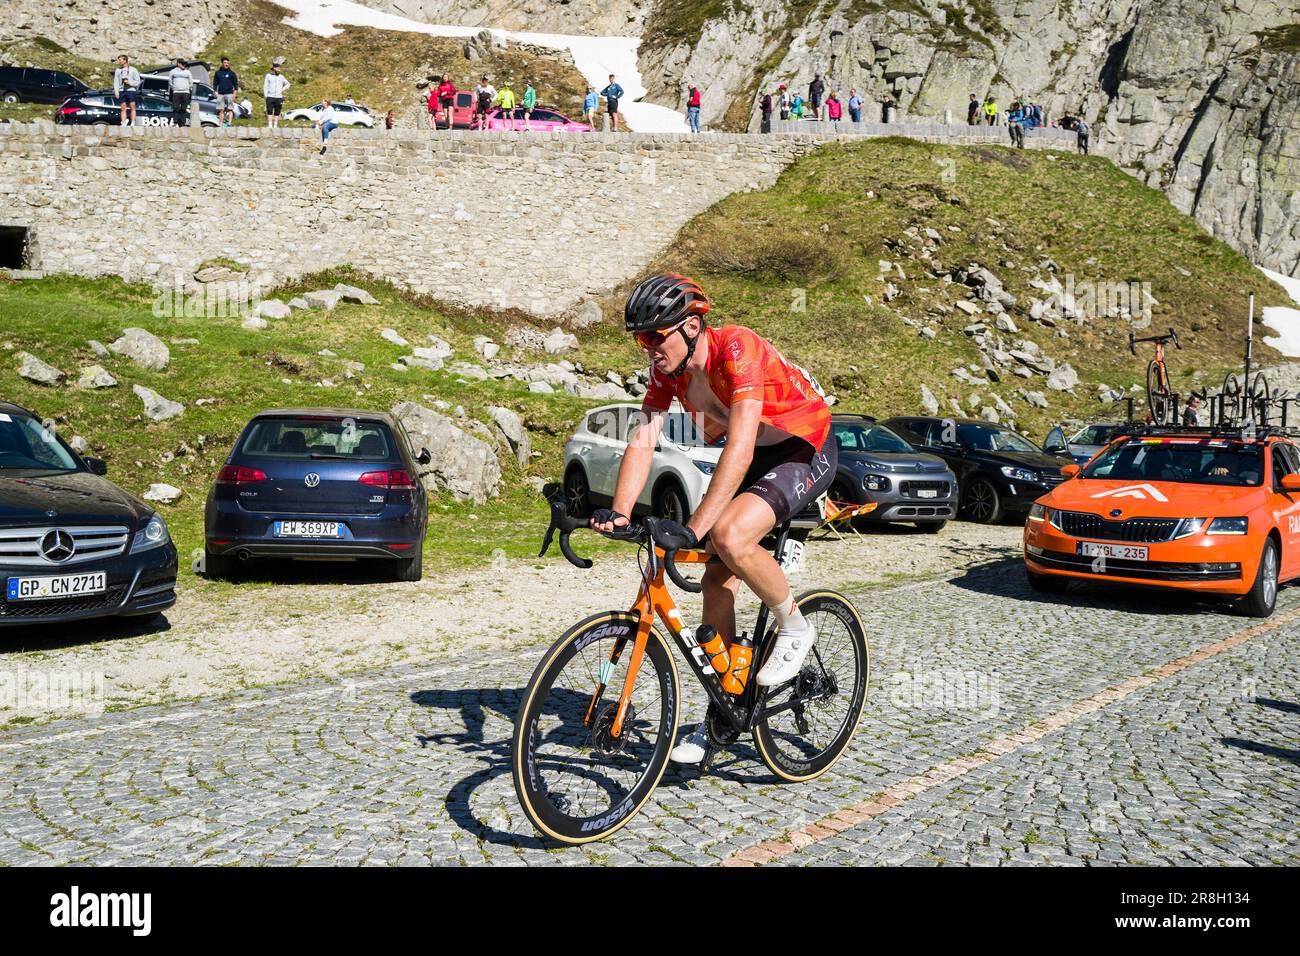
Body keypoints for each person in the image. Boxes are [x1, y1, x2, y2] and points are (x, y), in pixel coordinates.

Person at [595, 275, 836, 764]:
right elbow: (644, 439)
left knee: (727, 534)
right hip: (754, 457)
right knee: (714, 579)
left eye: (653, 337)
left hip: (803, 446)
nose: (646, 349)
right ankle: (723, 711)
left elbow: (742, 444)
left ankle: (794, 625)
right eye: (640, 339)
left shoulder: (736, 348)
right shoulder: (669, 373)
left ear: (689, 327)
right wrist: (620, 513)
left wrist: (695, 527)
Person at [113, 54, 141, 127]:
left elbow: (138, 81)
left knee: (132, 106)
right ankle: (123, 122)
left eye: (120, 60)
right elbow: (116, 81)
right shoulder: (118, 70)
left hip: (131, 90)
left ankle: (133, 122)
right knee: (123, 107)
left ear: (125, 60)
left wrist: (130, 83)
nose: (119, 62)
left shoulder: (133, 69)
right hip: (121, 90)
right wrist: (116, 91)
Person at [213, 57, 240, 127]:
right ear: (222, 63)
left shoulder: (232, 73)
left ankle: (229, 123)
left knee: (230, 109)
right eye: (225, 63)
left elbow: (235, 84)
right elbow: (215, 83)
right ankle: (221, 125)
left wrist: (235, 93)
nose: (226, 64)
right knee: (221, 110)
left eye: (228, 63)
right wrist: (215, 91)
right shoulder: (218, 73)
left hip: (229, 93)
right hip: (221, 94)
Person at [263, 60, 289, 129]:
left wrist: (282, 90)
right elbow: (265, 86)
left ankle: (275, 125)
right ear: (274, 68)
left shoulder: (281, 77)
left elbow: (288, 84)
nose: (279, 69)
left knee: (277, 111)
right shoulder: (268, 76)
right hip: (270, 96)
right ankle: (270, 124)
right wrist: (265, 95)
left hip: (279, 97)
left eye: (279, 68)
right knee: (269, 111)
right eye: (278, 68)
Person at [167, 58, 192, 127]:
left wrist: (187, 88)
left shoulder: (187, 72)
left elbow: (191, 82)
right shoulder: (172, 71)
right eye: (182, 63)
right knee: (175, 107)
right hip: (176, 92)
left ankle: (182, 123)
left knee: (184, 108)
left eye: (184, 64)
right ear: (178, 64)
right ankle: (175, 122)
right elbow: (170, 81)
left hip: (185, 92)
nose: (184, 65)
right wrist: (174, 88)